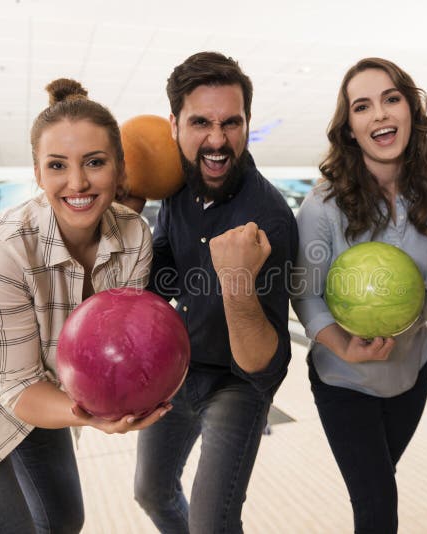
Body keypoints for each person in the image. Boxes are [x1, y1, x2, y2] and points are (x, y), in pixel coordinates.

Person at [0, 78, 167, 533]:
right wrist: (102, 418)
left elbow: (117, 343)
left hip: (41, 388)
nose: (78, 182)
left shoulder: (135, 236)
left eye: (95, 163)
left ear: (120, 169)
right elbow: (18, 389)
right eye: (58, 165)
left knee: (63, 522)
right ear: (38, 172)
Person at [291, 57, 427, 533]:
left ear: (410, 111)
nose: (380, 115)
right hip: (342, 382)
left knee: (377, 492)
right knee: (377, 508)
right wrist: (341, 343)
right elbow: (306, 294)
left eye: (391, 99)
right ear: (349, 128)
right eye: (362, 106)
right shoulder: (324, 205)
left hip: (410, 379)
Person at [132, 51, 298, 533]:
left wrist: (238, 285)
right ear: (174, 124)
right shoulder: (176, 188)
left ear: (247, 122)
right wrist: (124, 221)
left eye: (232, 122)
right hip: (179, 367)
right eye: (201, 122)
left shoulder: (268, 220)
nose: (218, 140)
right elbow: (160, 275)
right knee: (151, 491)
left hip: (236, 383)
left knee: (213, 525)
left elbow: (262, 364)